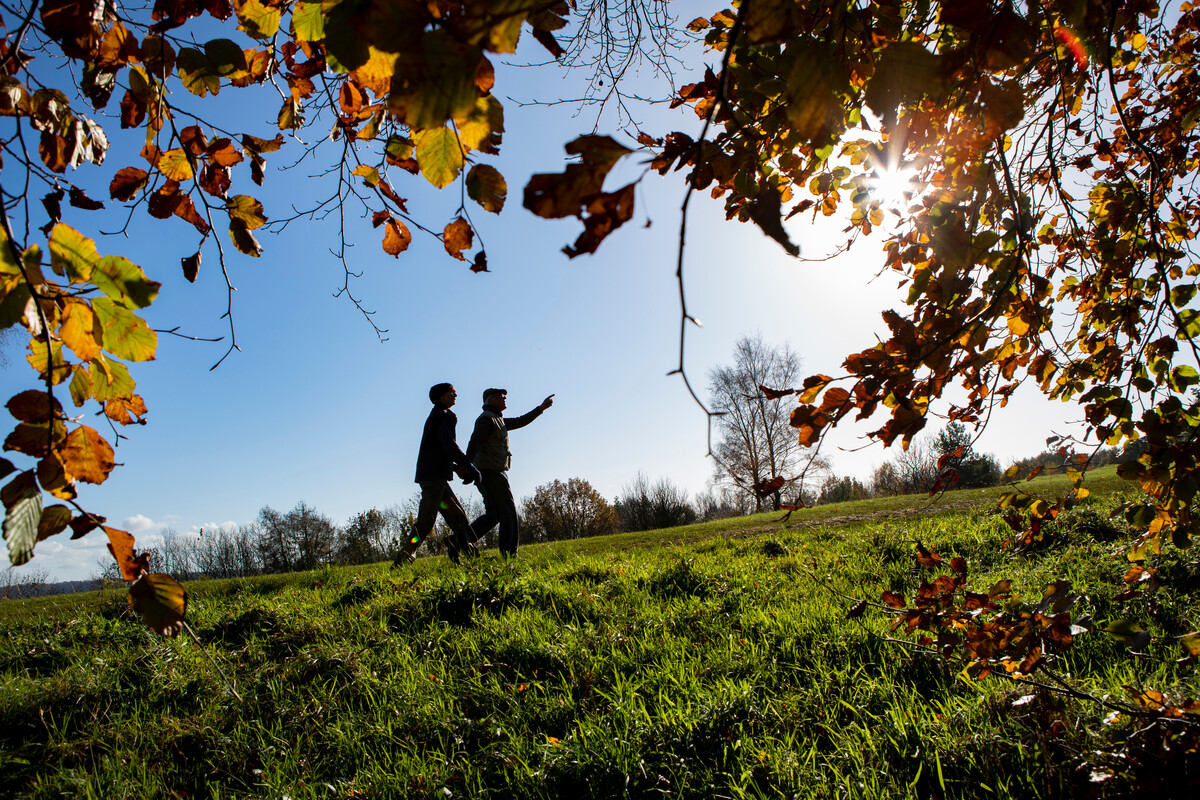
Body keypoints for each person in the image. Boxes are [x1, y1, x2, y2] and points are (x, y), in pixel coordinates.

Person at [396, 383, 482, 565]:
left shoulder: (437, 415)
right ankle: (406, 555)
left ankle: (468, 556)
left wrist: (454, 467)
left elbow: (436, 450)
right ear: (441, 396)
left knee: (458, 518)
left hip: (436, 475)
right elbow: (448, 445)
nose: (455, 395)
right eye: (452, 392)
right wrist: (470, 467)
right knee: (426, 522)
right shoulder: (443, 416)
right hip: (433, 478)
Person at [466, 388, 554, 558]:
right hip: (490, 472)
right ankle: (509, 554)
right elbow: (474, 442)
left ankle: (460, 539)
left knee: (495, 514)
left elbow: (520, 421)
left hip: (489, 471)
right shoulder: (487, 420)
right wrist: (466, 466)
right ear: (490, 400)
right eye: (501, 396)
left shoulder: (498, 420)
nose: (505, 398)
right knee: (508, 512)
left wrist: (541, 408)